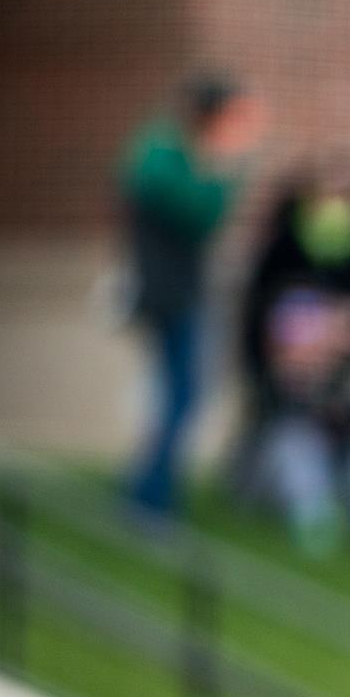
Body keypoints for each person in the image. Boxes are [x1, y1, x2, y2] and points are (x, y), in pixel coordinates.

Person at [237, 153, 350, 568]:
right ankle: (314, 518)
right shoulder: (281, 258)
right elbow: (265, 345)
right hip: (296, 408)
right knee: (297, 452)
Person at [119, 72, 266, 520]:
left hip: (182, 290)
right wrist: (223, 169)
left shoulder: (172, 153)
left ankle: (151, 487)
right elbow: (197, 212)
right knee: (180, 395)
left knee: (177, 395)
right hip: (169, 292)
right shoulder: (166, 155)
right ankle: (150, 498)